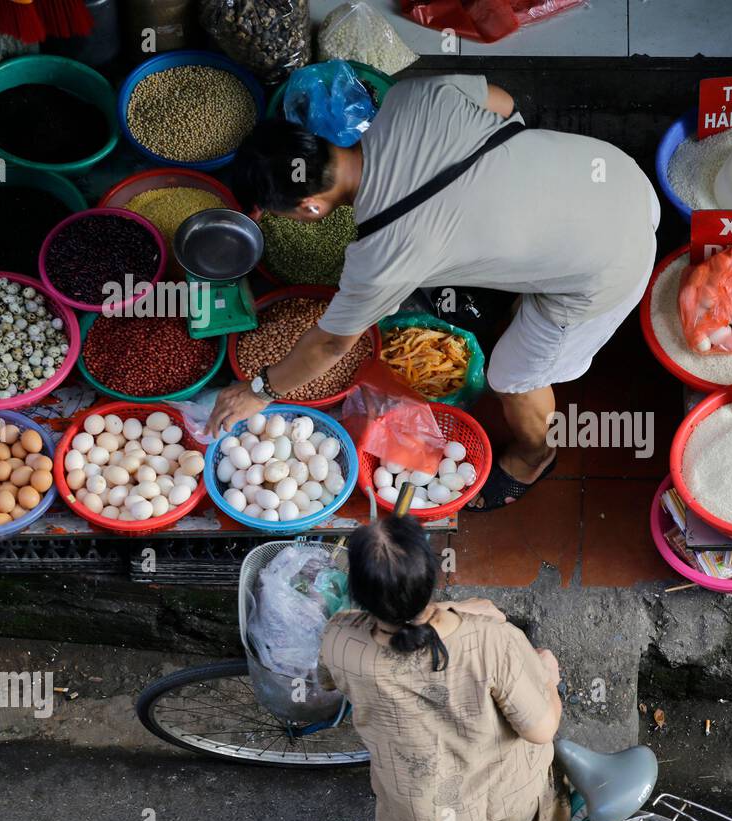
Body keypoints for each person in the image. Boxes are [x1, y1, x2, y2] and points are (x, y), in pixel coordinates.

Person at [209, 74, 661, 510]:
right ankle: (538, 272)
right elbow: (502, 102)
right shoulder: (408, 99)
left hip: (609, 265)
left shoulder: (380, 257)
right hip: (620, 179)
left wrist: (262, 388)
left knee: (513, 378)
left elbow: (329, 344)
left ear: (310, 206)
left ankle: (535, 456)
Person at [317, 515, 572, 821]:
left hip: (425, 814)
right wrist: (547, 678)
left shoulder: (339, 642)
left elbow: (329, 678)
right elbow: (541, 730)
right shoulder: (493, 641)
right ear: (431, 578)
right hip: (511, 797)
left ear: (357, 595)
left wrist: (461, 610)